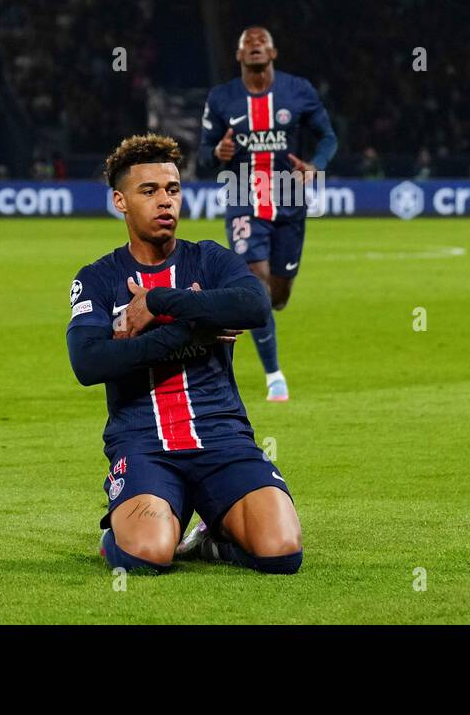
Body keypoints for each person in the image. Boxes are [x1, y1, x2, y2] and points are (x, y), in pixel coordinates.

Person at [66, 133, 303, 574]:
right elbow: (89, 362)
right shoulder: (97, 278)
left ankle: (211, 541)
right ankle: (115, 534)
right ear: (120, 201)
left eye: (173, 190)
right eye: (149, 191)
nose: (165, 202)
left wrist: (160, 304)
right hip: (143, 445)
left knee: (283, 551)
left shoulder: (209, 260)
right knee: (149, 555)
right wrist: (194, 332)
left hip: (223, 439)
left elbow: (254, 305)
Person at [197, 27, 337, 402]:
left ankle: (274, 301)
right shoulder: (222, 98)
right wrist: (217, 154)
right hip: (243, 193)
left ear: (273, 52)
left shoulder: (298, 91)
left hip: (290, 197)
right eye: (248, 43)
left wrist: (316, 164)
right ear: (239, 55)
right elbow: (202, 155)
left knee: (278, 294)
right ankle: (275, 376)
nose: (256, 45)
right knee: (254, 283)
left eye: (262, 42)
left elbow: (328, 137)